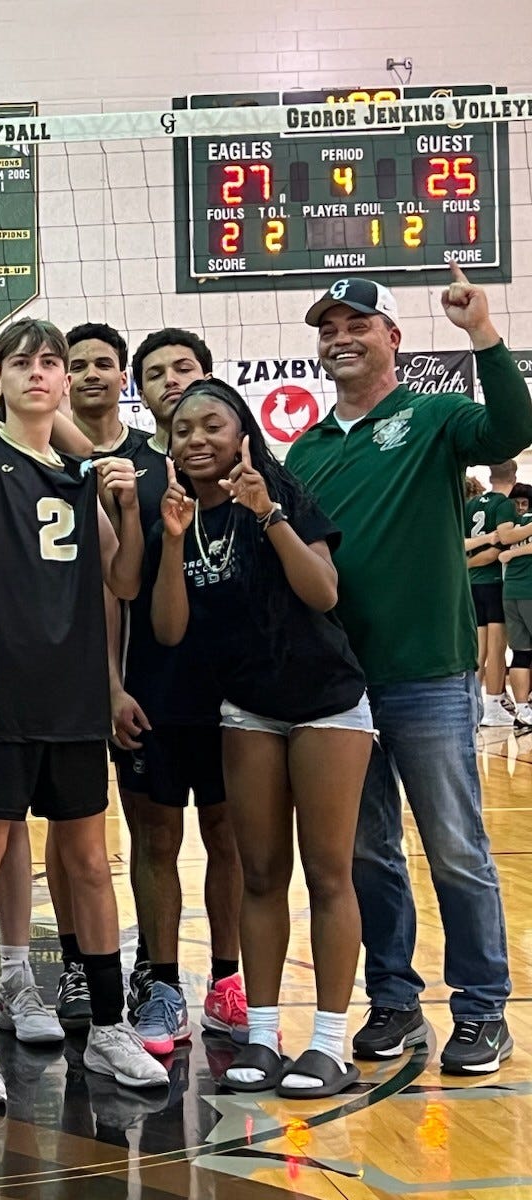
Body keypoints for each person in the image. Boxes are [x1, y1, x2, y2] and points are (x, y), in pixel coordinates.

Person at [0, 318, 168, 1099]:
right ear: (0, 377)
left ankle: (111, 1030)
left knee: (89, 863)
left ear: (64, 382)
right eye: (21, 363)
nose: (39, 374)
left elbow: (122, 584)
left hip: (75, 697)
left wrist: (127, 510)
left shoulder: (84, 473)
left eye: (49, 363)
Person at [286, 269, 532, 1073]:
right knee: (366, 856)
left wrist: (483, 333)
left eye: (357, 322)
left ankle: (482, 1009)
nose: (340, 336)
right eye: (328, 326)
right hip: (341, 689)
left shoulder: (432, 419)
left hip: (427, 675)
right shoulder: (308, 449)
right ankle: (393, 1001)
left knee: (455, 845)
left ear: (392, 337)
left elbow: (510, 430)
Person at [153, 381, 371, 1097]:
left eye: (211, 424)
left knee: (328, 871)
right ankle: (261, 1036)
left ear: (242, 431)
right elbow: (169, 630)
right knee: (261, 871)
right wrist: (174, 540)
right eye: (181, 430)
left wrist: (268, 513)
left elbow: (324, 592)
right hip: (247, 708)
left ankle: (331, 1043)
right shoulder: (177, 515)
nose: (196, 439)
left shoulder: (283, 492)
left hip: (325, 701)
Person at [70, 322, 246, 1054]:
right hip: (153, 685)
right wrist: (111, 685)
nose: (171, 382)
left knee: (231, 837)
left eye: (184, 369)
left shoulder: (246, 473)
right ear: (140, 392)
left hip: (237, 692)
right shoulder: (129, 472)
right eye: (157, 374)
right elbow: (116, 590)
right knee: (155, 836)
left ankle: (230, 980)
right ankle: (163, 980)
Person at [463, 460, 519, 725]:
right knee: (497, 647)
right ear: (514, 476)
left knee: (480, 649)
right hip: (495, 583)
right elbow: (497, 551)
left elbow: (461, 544)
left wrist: (466, 565)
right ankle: (494, 704)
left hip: (472, 584)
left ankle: (473, 706)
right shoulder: (504, 504)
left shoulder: (470, 504)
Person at [496, 482, 532, 724]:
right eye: (517, 503)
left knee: (520, 653)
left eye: (523, 503)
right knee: (521, 653)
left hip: (510, 592)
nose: (520, 507)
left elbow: (501, 550)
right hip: (528, 590)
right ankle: (524, 708)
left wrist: (510, 553)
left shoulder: (510, 527)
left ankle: (522, 709)